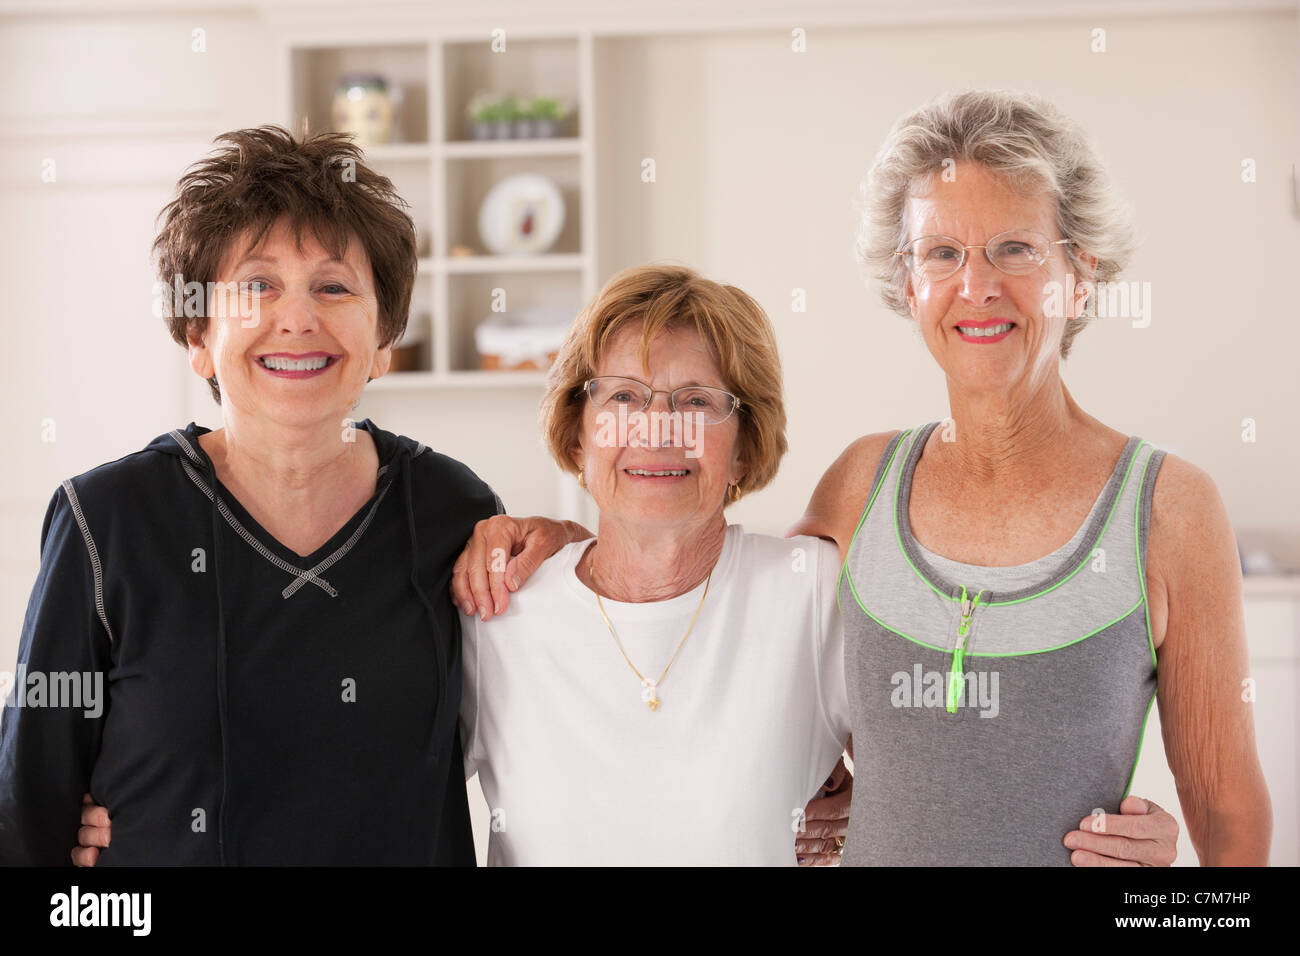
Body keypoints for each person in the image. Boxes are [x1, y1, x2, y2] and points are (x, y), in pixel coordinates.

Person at [453, 91, 1270, 865]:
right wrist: (565, 545)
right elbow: (724, 625)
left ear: (1080, 272)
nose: (975, 284)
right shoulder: (861, 487)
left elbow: (1231, 823)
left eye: (1015, 248)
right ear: (907, 283)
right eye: (941, 253)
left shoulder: (1169, 510)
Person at [0, 126, 497, 865]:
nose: (297, 318)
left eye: (334, 286)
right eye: (256, 285)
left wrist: (562, 539)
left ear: (385, 338)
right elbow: (27, 806)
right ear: (197, 333)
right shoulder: (104, 520)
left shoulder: (454, 510)